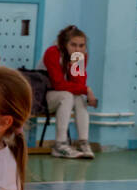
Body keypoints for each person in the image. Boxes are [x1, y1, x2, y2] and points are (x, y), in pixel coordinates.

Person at [42, 24, 98, 159]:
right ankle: (60, 145)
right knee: (67, 95)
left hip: (63, 96)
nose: (77, 49)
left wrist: (75, 64)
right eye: (73, 45)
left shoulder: (79, 56)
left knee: (79, 97)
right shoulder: (52, 53)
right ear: (64, 44)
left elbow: (78, 85)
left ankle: (83, 142)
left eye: (81, 46)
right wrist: (87, 90)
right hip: (43, 97)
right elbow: (58, 84)